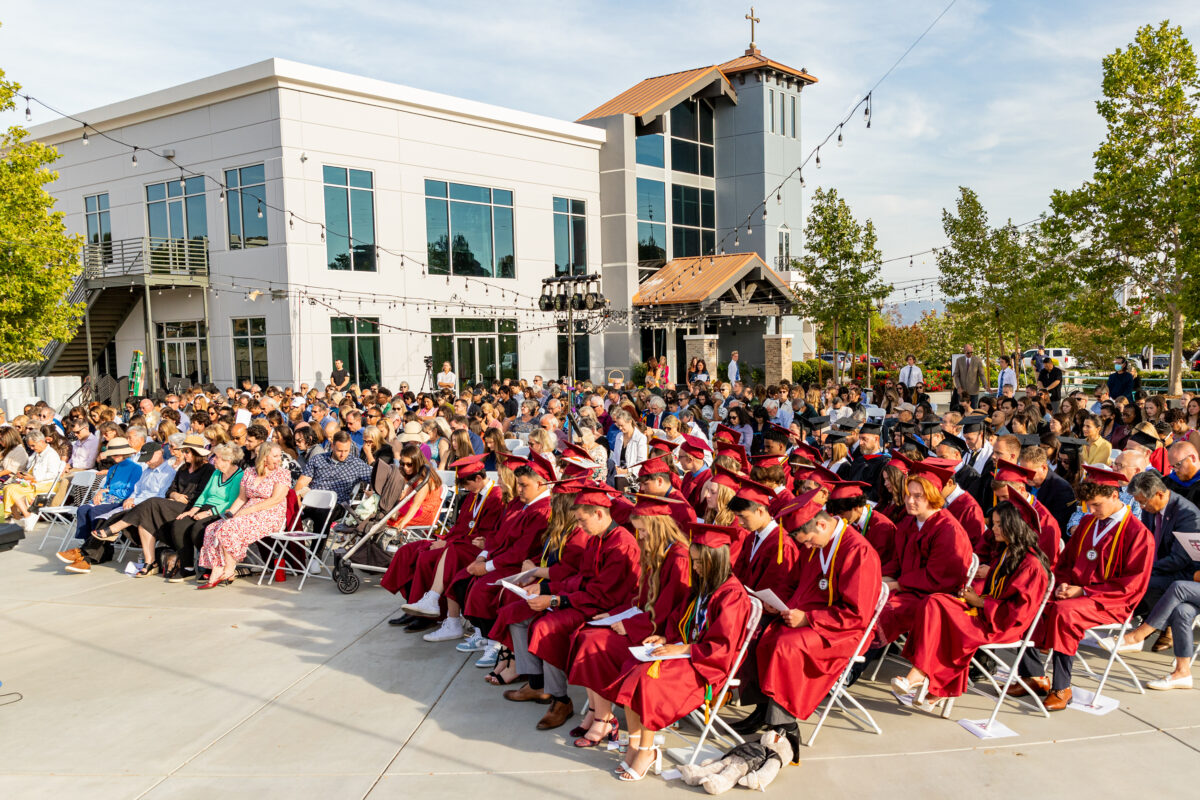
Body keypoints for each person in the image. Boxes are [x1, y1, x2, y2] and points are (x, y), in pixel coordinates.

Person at [608, 523, 753, 782]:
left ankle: (647, 751)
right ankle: (633, 743)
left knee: (648, 680)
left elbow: (722, 646)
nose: (694, 568)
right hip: (684, 653)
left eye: (699, 563)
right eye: (694, 561)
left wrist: (682, 648)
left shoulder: (732, 595)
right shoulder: (702, 586)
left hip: (706, 665)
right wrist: (664, 638)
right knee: (632, 665)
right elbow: (680, 621)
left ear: (716, 561)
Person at [502, 482, 641, 731]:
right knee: (517, 614)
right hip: (584, 599)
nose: (579, 526)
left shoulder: (621, 544)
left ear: (599, 513)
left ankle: (560, 699)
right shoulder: (597, 538)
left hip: (606, 609)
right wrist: (545, 589)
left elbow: (602, 594)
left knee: (545, 627)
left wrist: (556, 600)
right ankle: (537, 684)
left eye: (581, 520)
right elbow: (581, 578)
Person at [892, 496, 1051, 711]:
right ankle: (932, 682)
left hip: (1003, 625)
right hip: (987, 611)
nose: (992, 529)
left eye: (997, 524)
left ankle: (921, 677)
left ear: (1013, 525)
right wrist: (975, 597)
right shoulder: (1008, 552)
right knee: (934, 602)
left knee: (949, 621)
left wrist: (980, 602)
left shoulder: (1030, 565)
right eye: (993, 523)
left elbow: (1019, 613)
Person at [1016, 465, 1153, 710]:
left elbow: (1133, 584)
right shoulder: (1089, 523)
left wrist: (1084, 592)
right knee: (1031, 600)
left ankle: (1062, 687)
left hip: (1112, 601)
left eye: (1096, 504)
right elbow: (1065, 563)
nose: (1091, 510)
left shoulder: (1138, 533)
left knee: (1064, 613)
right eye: (1088, 505)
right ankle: (1034, 675)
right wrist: (1063, 585)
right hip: (1076, 595)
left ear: (1114, 495)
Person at [751, 497, 882, 750]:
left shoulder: (858, 551)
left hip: (844, 630)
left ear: (821, 525)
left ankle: (784, 723)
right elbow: (794, 582)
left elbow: (857, 613)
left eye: (808, 540)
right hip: (809, 619)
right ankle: (763, 708)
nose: (807, 547)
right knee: (761, 632)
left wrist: (808, 618)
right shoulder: (816, 545)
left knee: (785, 646)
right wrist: (779, 602)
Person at [567, 498, 692, 746]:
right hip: (646, 622)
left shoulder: (679, 557)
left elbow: (669, 609)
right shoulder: (659, 551)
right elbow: (642, 599)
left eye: (644, 530)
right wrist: (618, 613)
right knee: (585, 634)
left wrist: (631, 625)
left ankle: (604, 718)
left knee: (594, 644)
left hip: (663, 633)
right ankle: (596, 710)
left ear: (657, 528)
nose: (641, 537)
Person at [65, 437, 214, 574]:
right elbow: (170, 491)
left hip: (186, 507)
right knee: (112, 517)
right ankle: (147, 562)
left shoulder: (207, 470)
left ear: (196, 453)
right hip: (163, 504)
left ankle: (100, 541)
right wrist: (175, 495)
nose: (183, 453)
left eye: (187, 451)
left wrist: (178, 498)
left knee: (143, 505)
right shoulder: (181, 469)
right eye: (184, 450)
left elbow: (201, 493)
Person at [197, 442, 292, 589]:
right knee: (212, 528)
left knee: (229, 527)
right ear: (264, 457)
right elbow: (242, 498)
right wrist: (230, 513)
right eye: (275, 456)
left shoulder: (282, 474)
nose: (279, 459)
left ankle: (229, 570)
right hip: (247, 511)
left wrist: (246, 512)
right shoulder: (249, 472)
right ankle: (217, 568)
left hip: (270, 513)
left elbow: (276, 499)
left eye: (279, 456)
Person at [159, 442, 244, 582]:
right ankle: (187, 567)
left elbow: (230, 502)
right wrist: (192, 511)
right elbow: (204, 494)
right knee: (179, 524)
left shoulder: (239, 475)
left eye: (216, 457)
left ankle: (211, 566)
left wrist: (208, 513)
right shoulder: (217, 473)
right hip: (205, 507)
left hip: (221, 512)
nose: (213, 460)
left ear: (227, 460)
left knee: (198, 529)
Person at [2, 430, 63, 528]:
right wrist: (23, 475)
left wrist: (34, 478)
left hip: (46, 484)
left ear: (41, 442)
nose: (31, 448)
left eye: (33, 446)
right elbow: (31, 469)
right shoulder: (37, 453)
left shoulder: (51, 454)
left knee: (12, 489)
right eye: (30, 446)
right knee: (8, 488)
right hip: (33, 481)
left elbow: (52, 474)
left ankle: (27, 515)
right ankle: (18, 518)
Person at [1164, 441, 1200, 507]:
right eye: (1173, 466)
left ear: (1192, 458)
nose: (1175, 470)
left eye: (1178, 464)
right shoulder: (1168, 482)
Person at [953, 345, 986, 409]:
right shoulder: (959, 360)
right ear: (964, 351)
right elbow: (956, 375)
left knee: (973, 410)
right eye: (968, 352)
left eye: (971, 352)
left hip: (974, 390)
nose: (970, 354)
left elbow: (981, 374)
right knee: (962, 409)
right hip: (962, 391)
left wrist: (985, 385)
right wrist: (958, 387)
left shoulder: (977, 360)